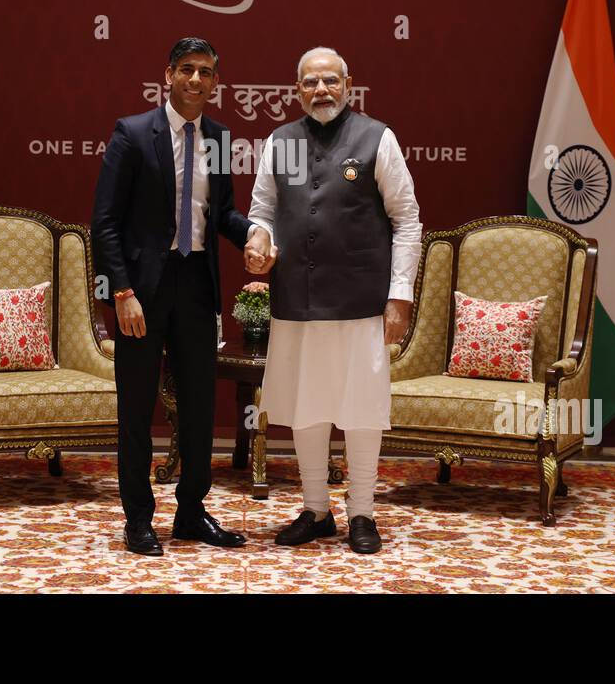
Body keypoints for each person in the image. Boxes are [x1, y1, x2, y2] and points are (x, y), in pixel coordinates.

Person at [91, 36, 272, 555]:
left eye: (207, 72)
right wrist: (121, 291)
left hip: (197, 286)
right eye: (188, 70)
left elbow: (223, 217)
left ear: (217, 82)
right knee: (137, 408)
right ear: (167, 75)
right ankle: (139, 520)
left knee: (198, 408)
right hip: (141, 291)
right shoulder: (132, 133)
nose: (197, 80)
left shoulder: (217, 137)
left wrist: (256, 234)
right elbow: (104, 223)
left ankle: (192, 512)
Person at [244, 47, 421, 553]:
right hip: (296, 298)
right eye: (308, 83)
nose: (320, 90)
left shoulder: (376, 138)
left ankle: (362, 512)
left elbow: (408, 221)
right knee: (307, 408)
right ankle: (316, 509)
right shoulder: (280, 143)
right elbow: (262, 211)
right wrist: (258, 240)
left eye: (329, 81)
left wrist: (400, 295)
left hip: (361, 301)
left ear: (349, 84)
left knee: (362, 410)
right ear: (296, 90)